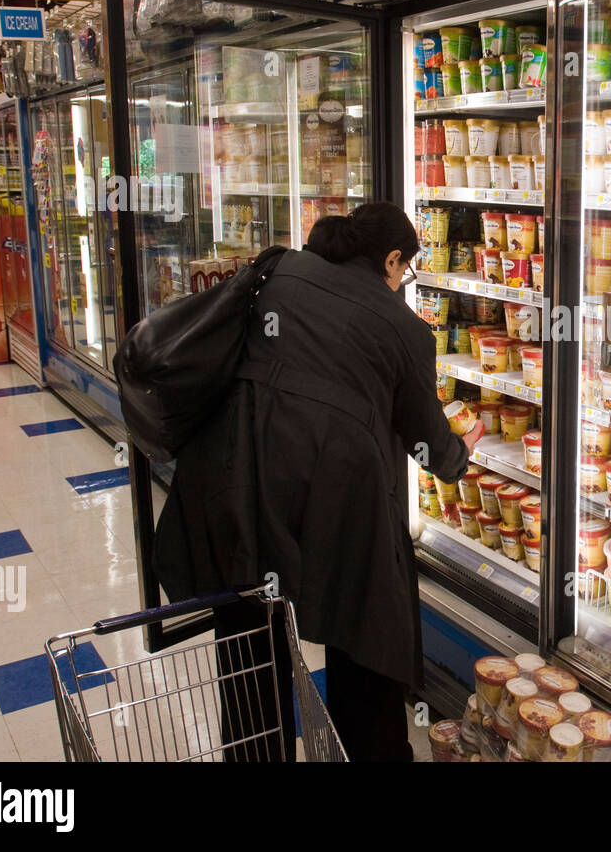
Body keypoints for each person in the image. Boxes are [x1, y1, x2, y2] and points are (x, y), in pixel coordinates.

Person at [154, 203, 483, 761]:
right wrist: (460, 454)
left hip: (236, 475)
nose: (403, 282)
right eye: (405, 270)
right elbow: (427, 442)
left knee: (249, 637)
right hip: (338, 494)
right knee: (364, 631)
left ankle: (257, 753)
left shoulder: (281, 270)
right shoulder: (403, 327)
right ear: (392, 257)